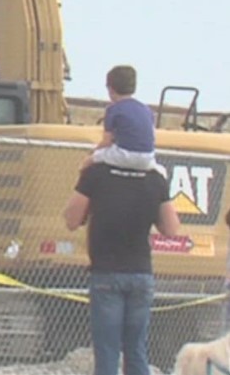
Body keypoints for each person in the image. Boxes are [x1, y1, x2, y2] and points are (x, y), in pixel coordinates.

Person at [63, 147, 181, 375]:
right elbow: (171, 228)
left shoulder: (97, 173)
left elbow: (71, 219)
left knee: (107, 351)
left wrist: (84, 174)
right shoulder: (155, 178)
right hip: (140, 274)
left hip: (106, 273)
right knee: (136, 350)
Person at [82, 65, 165, 177]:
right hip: (147, 158)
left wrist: (91, 154)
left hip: (125, 156)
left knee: (90, 161)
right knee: (161, 171)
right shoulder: (146, 109)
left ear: (110, 89)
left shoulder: (113, 109)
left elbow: (107, 142)